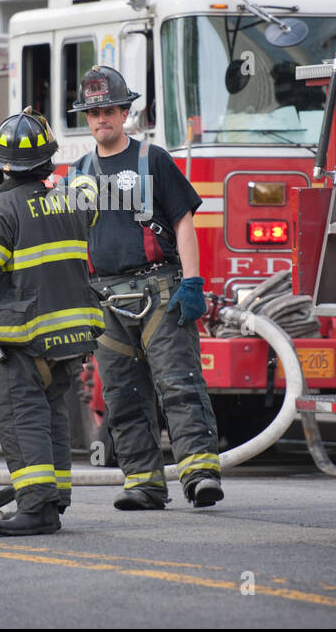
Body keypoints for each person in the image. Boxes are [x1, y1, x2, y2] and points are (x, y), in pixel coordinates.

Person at [67, 66, 223, 510]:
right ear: (87, 117)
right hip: (104, 297)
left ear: (125, 112)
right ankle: (144, 483)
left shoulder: (153, 160)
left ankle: (199, 473)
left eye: (110, 110)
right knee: (122, 394)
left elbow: (183, 221)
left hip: (157, 288)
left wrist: (192, 282)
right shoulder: (77, 172)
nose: (102, 119)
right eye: (94, 112)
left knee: (178, 383)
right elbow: (73, 238)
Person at [0, 110, 103, 535]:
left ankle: (35, 507)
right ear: (48, 160)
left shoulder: (0, 208)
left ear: (1, 166)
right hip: (70, 337)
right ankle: (54, 502)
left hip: (24, 339)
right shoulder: (69, 199)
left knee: (20, 417)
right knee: (51, 416)